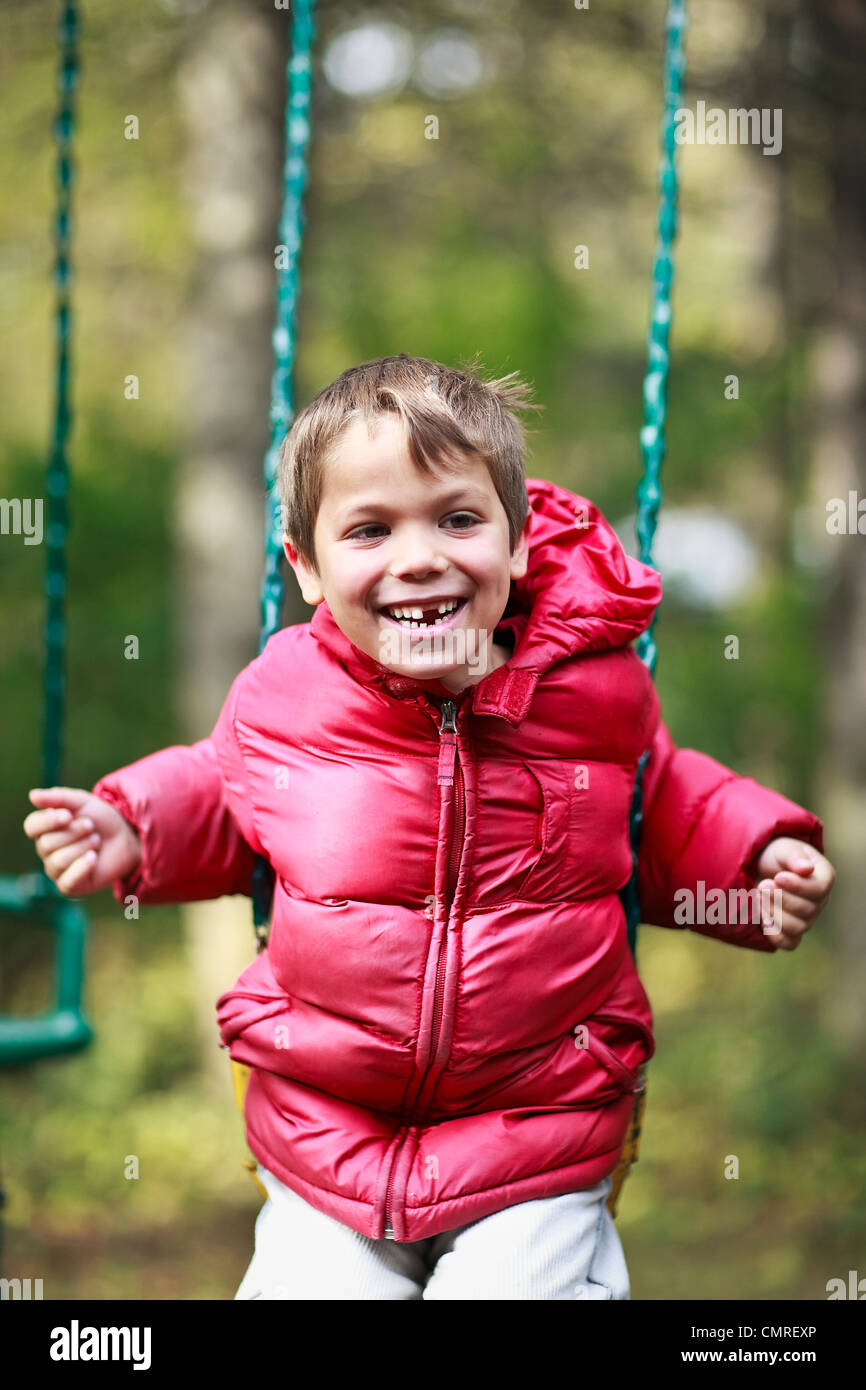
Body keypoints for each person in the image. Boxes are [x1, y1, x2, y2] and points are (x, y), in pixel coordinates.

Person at [23, 354, 835, 1300]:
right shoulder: (285, 698)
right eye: (370, 529)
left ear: (518, 542)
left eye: (457, 518)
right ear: (308, 568)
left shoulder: (593, 692)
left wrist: (753, 866)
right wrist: (133, 830)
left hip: (538, 1130)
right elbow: (220, 788)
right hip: (330, 1135)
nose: (420, 556)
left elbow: (663, 801)